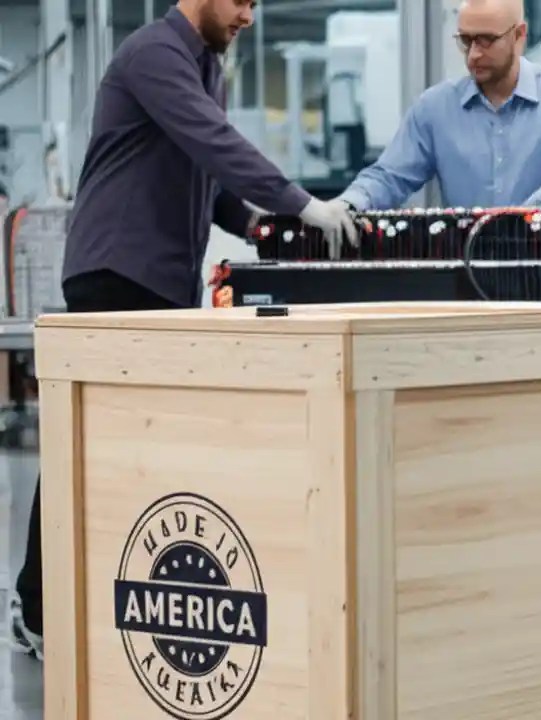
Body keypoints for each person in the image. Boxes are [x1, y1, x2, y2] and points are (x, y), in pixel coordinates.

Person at [9, 0, 357, 661]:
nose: (249, 16)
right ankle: (35, 608)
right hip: (114, 276)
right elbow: (214, 143)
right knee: (81, 450)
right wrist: (303, 202)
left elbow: (203, 174)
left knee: (136, 456)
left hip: (162, 286)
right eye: (242, 2)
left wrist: (257, 225)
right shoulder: (154, 55)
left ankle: (101, 599)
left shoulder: (206, 66)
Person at [334, 0, 541, 215]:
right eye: (466, 40)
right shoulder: (435, 108)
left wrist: (519, 220)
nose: (474, 54)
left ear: (519, 36)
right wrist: (348, 204)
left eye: (486, 40)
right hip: (467, 273)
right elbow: (390, 176)